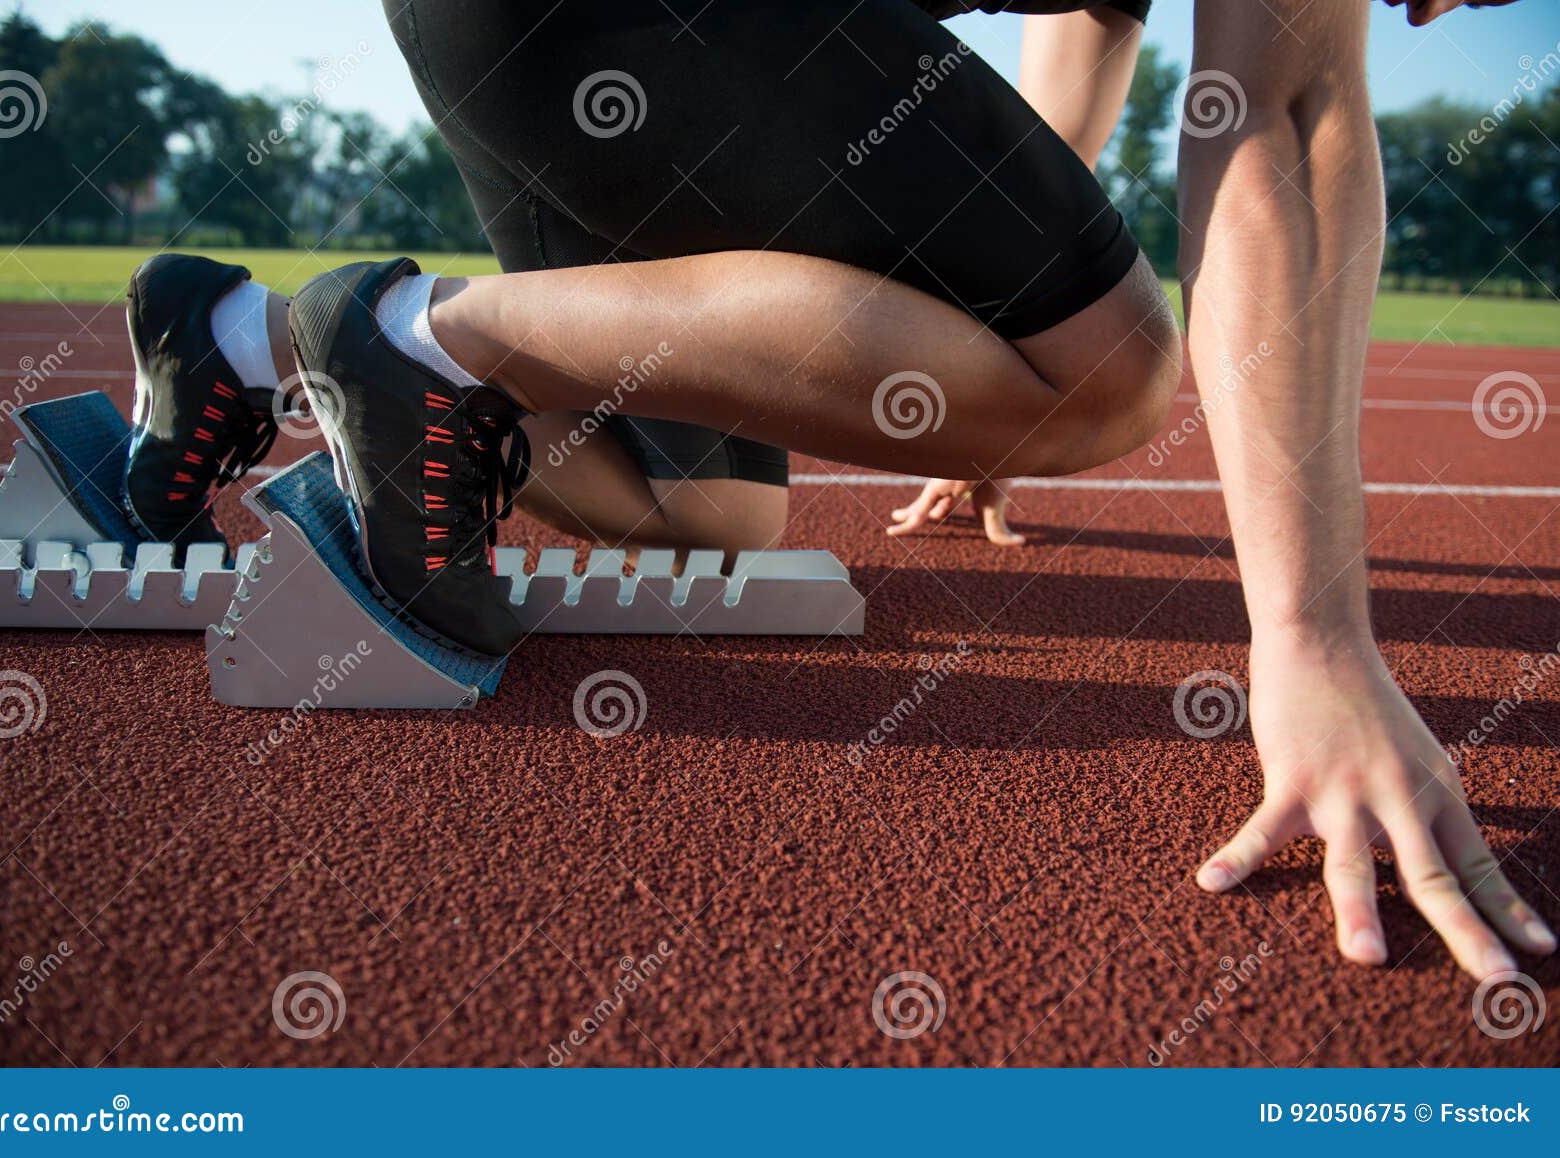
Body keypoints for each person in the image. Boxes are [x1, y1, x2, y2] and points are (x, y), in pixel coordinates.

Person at [122, 0, 1552, 981]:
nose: (1438, 16)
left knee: (707, 517)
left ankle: (240, 341)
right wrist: (1312, 635)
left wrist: (985, 410)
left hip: (519, 39)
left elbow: (1048, 146)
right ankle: (408, 342)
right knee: (1115, 378)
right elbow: (1287, 116)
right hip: (621, 25)